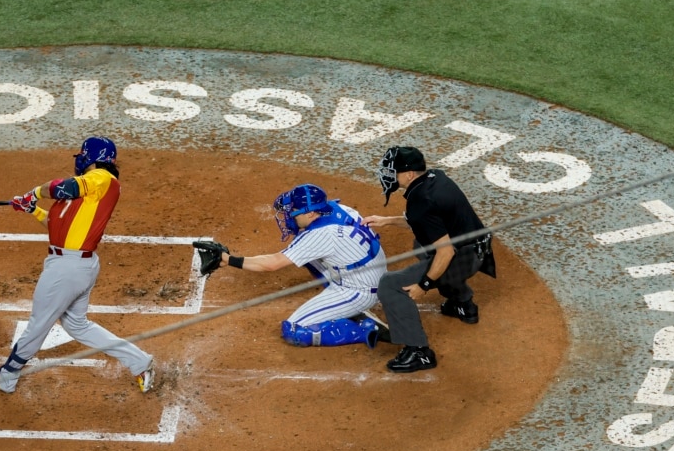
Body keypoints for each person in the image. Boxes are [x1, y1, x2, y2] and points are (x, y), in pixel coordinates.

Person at [0, 136, 156, 394]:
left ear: (92, 158)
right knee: (76, 325)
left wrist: (33, 193)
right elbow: (57, 227)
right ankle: (139, 361)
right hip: (72, 264)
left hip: (67, 269)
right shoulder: (85, 195)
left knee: (39, 323)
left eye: (82, 154)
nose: (79, 159)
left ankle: (9, 373)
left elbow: (59, 188)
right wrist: (32, 209)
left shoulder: (102, 179)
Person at [361, 146, 496, 373]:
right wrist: (387, 220)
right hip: (477, 249)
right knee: (420, 244)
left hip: (462, 258)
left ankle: (419, 352)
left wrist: (424, 285)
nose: (390, 176)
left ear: (410, 174)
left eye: (394, 171)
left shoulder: (420, 201)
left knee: (390, 285)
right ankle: (462, 304)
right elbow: (426, 220)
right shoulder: (435, 178)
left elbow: (445, 252)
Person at [208, 184, 390, 348]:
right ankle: (343, 306)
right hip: (374, 273)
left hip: (359, 291)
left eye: (293, 210)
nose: (289, 215)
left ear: (310, 213)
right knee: (304, 254)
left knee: (295, 331)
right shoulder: (338, 209)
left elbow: (272, 264)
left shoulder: (319, 235)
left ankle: (365, 328)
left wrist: (228, 259)